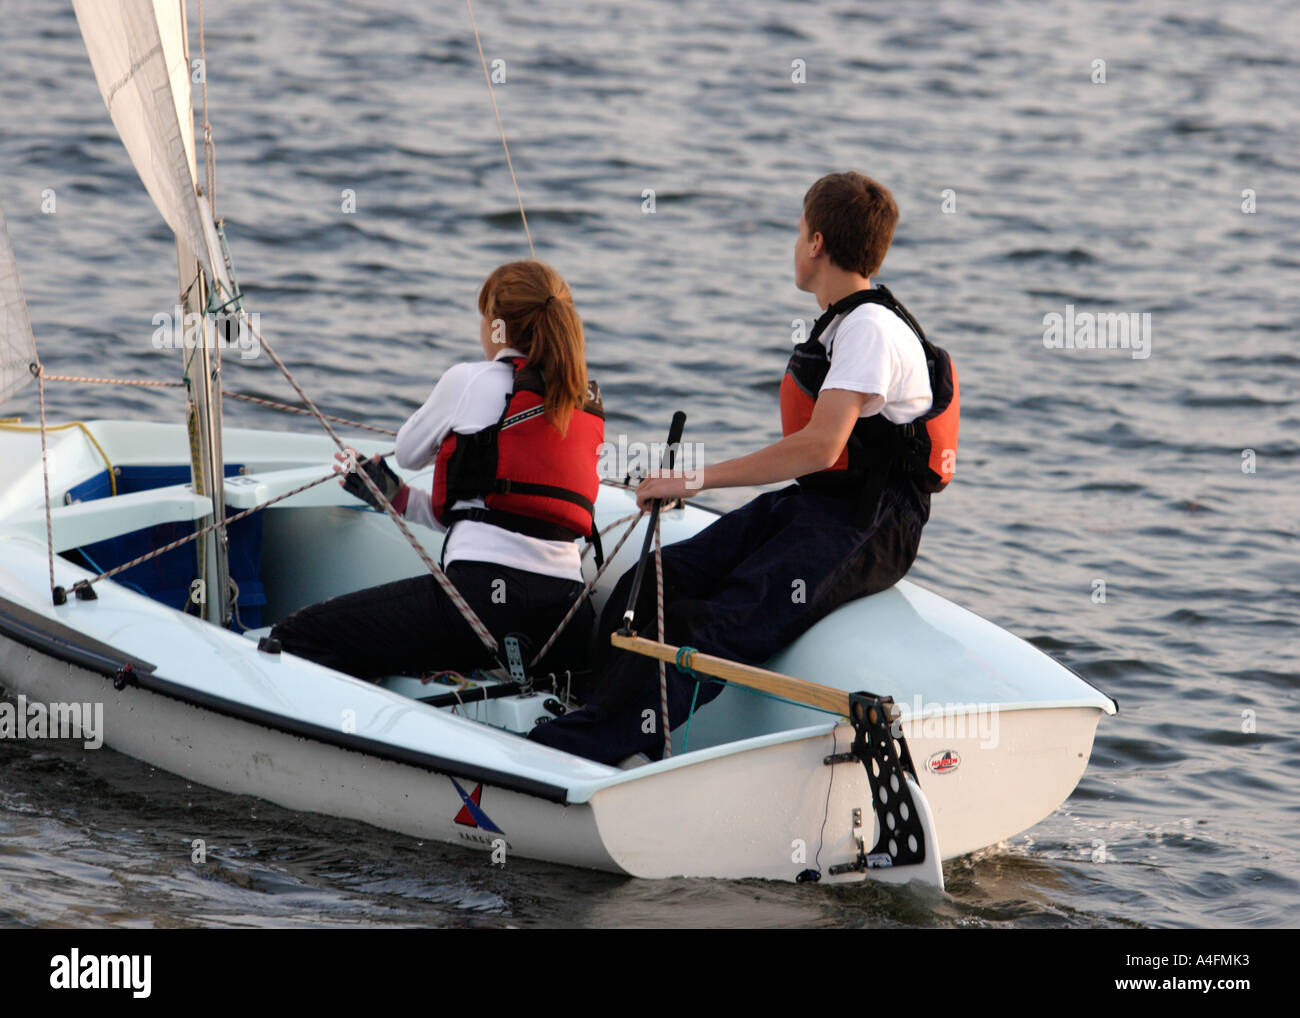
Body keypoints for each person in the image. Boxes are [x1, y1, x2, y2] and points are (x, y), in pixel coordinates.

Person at [528, 171, 957, 765]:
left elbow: (819, 449)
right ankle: (589, 710)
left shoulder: (870, 331)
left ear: (816, 244)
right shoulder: (849, 320)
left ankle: (597, 749)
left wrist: (693, 479)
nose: (795, 241)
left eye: (799, 229)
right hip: (821, 506)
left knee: (717, 626)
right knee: (656, 581)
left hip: (872, 523)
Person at [270, 259, 604, 682]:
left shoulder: (469, 379)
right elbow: (493, 514)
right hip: (566, 620)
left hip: (478, 607)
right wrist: (400, 498)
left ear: (495, 327)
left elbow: (409, 453)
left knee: (296, 637)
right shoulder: (581, 400)